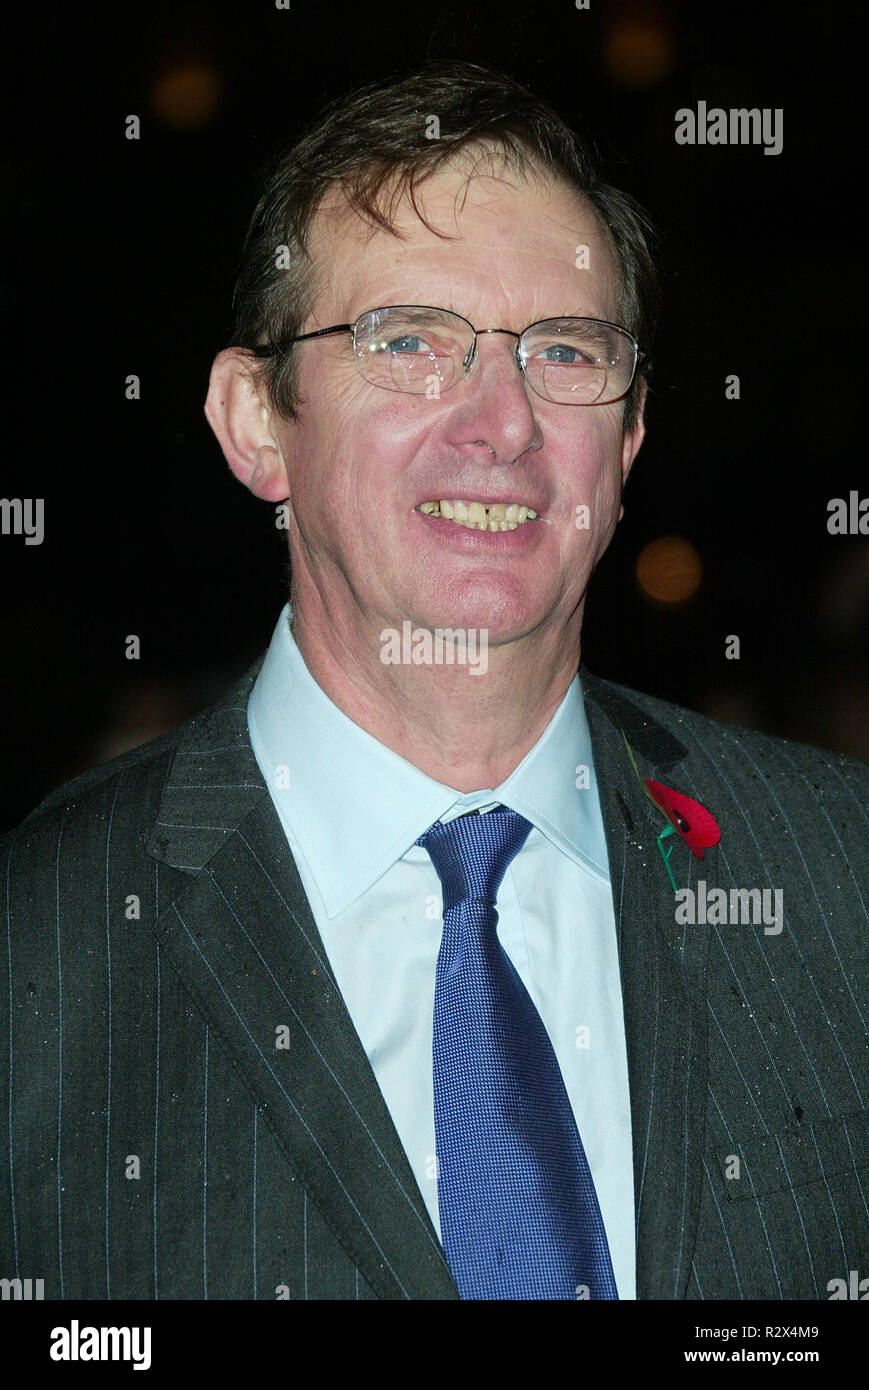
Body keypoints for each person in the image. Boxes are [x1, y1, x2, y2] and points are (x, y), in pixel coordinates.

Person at [1, 62, 866, 1303]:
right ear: (256, 421)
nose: (500, 421)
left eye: (564, 351)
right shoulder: (40, 960)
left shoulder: (838, 878)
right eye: (409, 341)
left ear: (623, 443)